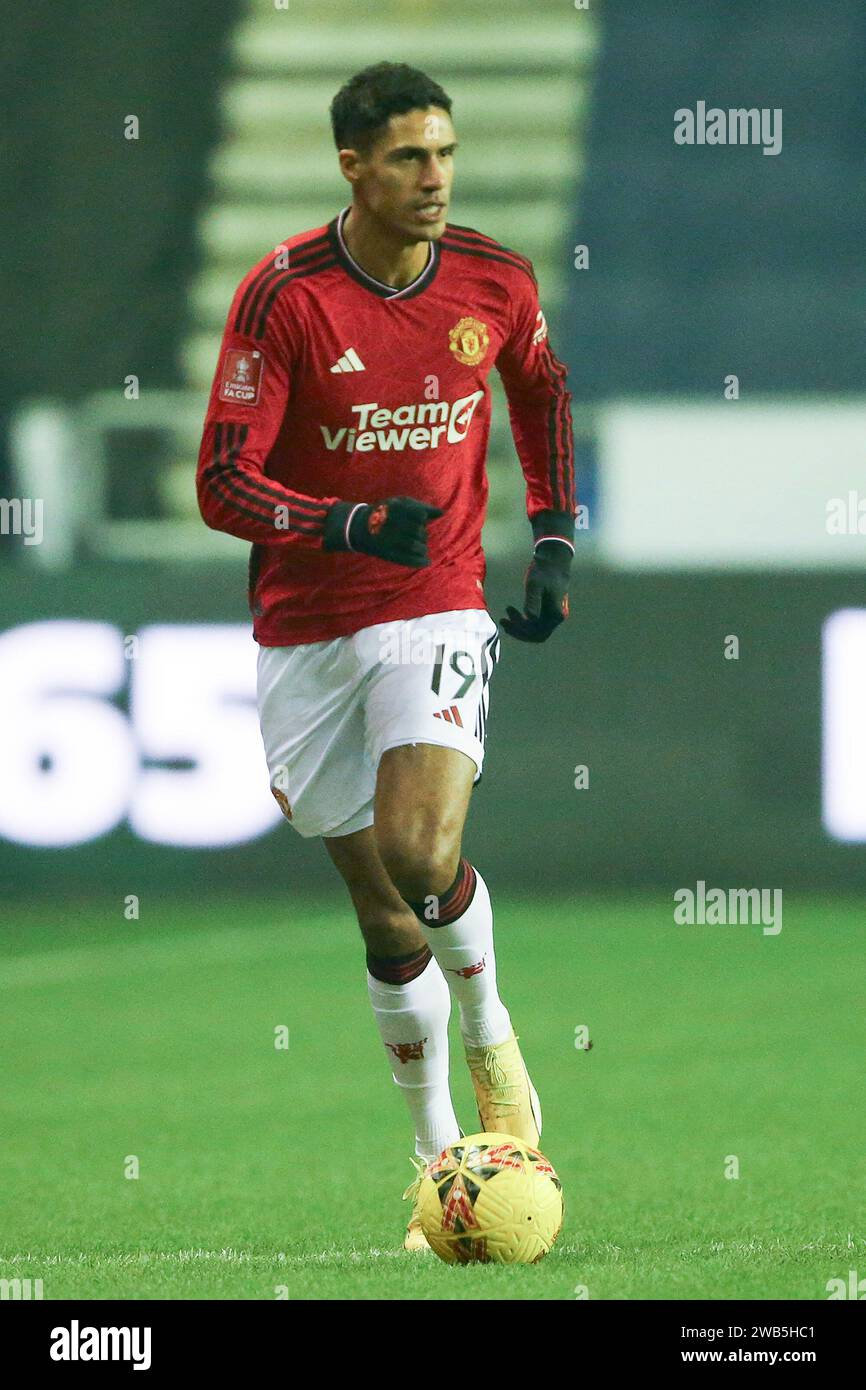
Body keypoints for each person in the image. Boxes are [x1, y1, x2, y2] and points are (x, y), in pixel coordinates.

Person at [196, 62, 575, 1251]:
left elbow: (541, 394)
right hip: (307, 624)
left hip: (435, 599)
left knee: (420, 852)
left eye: (446, 155)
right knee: (380, 911)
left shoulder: (494, 277)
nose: (435, 179)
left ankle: (491, 1033)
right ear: (351, 166)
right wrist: (340, 521)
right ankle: (433, 1163)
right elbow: (220, 481)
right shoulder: (284, 297)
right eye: (410, 158)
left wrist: (554, 537)